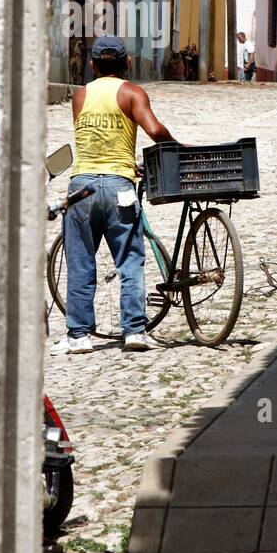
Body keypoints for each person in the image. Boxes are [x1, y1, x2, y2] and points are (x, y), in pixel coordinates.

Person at [63, 34, 175, 354]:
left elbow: (93, 140)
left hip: (81, 186)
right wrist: (174, 146)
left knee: (81, 261)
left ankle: (79, 335)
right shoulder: (132, 93)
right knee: (129, 259)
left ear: (92, 65)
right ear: (127, 63)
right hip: (119, 187)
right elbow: (153, 131)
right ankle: (134, 331)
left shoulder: (80, 96)